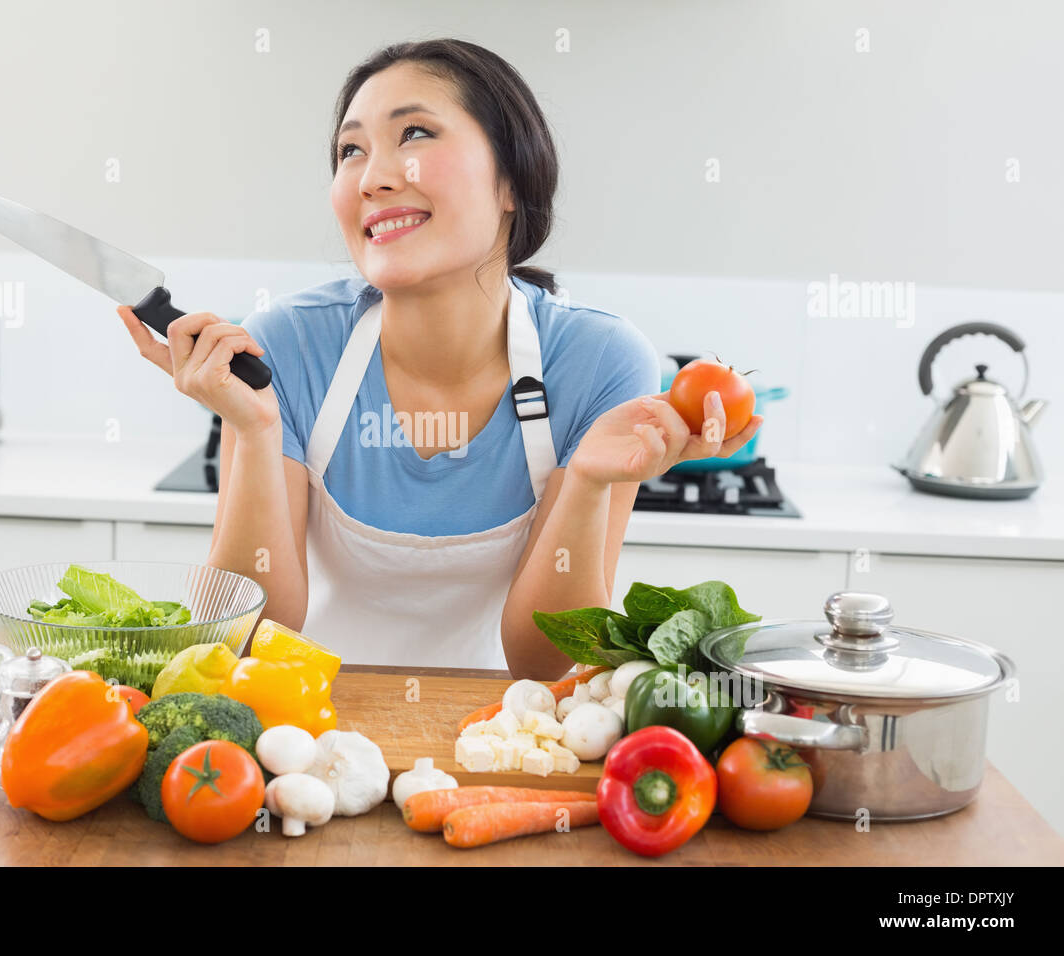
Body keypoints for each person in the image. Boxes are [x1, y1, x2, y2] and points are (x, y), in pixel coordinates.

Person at [119, 38, 762, 679]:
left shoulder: (599, 360)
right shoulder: (286, 343)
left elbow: (547, 665)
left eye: (416, 134)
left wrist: (591, 484)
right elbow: (239, 645)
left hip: (507, 737)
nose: (374, 177)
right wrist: (254, 431)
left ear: (511, 179)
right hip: (303, 734)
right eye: (352, 151)